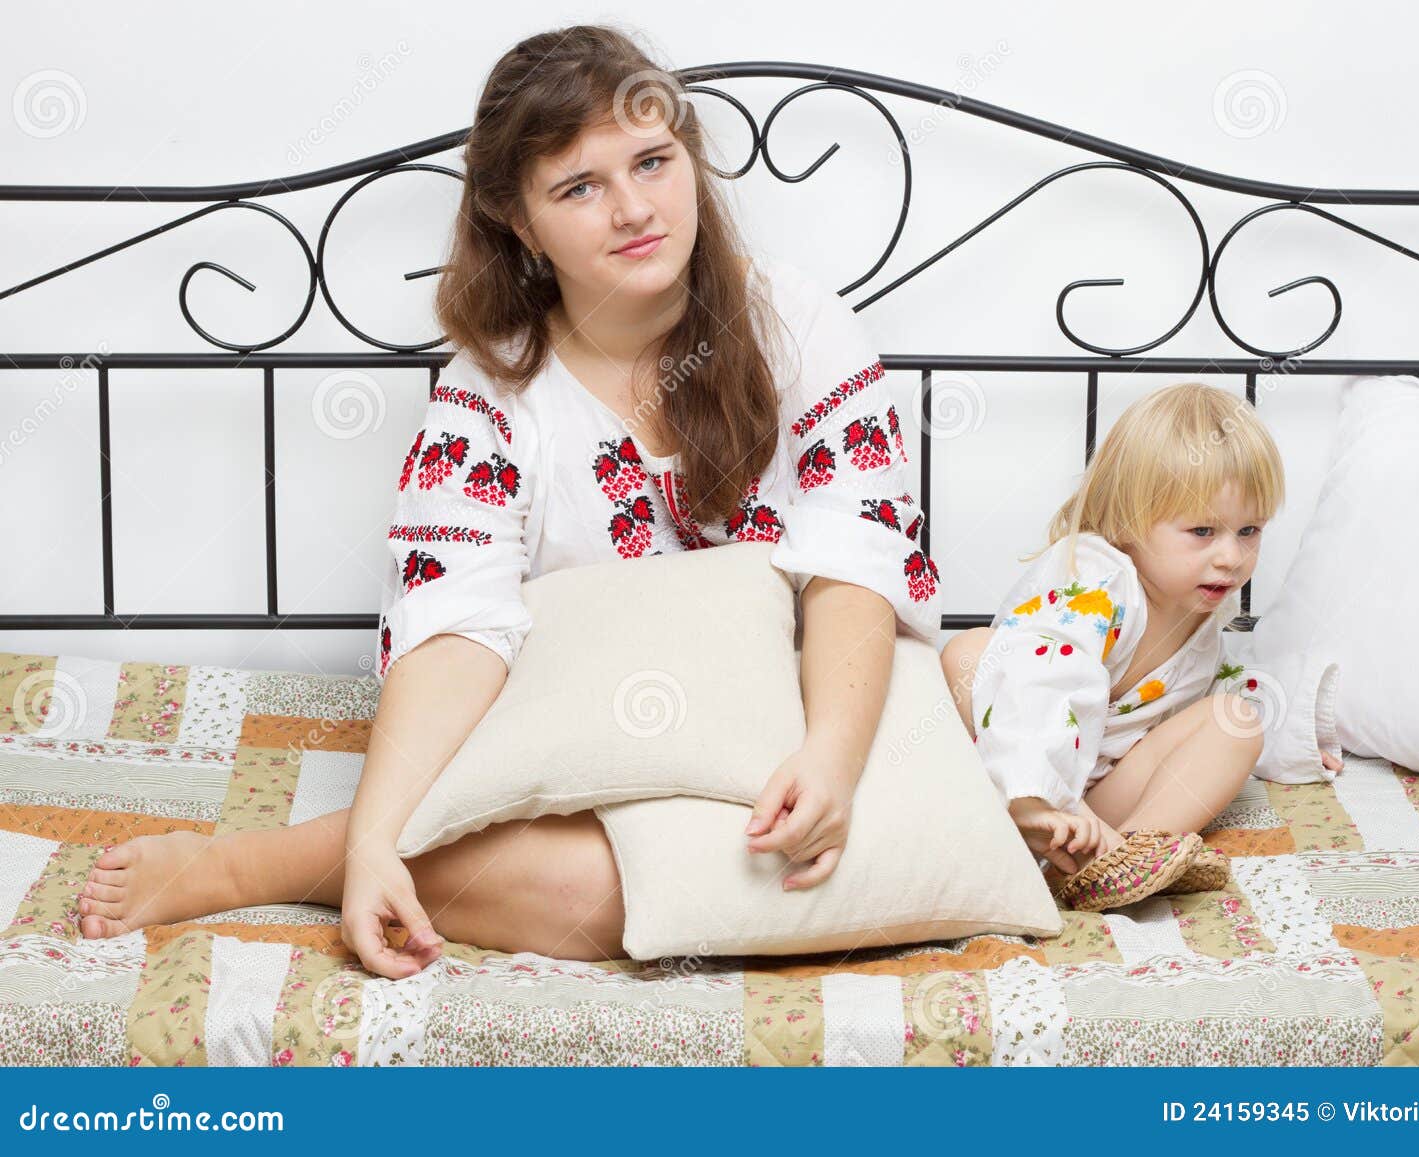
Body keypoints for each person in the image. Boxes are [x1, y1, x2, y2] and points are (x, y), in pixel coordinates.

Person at [74, 25, 942, 978]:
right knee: (607, 893)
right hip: (604, 756)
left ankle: (309, 855)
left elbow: (857, 554)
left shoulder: (796, 324)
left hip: (798, 718)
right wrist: (374, 844)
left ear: (689, 160)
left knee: (976, 686)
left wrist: (830, 759)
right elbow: (457, 626)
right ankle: (262, 862)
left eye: (653, 162)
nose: (633, 209)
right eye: (579, 187)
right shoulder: (493, 391)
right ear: (520, 224)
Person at [939, 383, 1344, 907]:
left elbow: (1212, 700)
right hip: (1019, 767)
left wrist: (1302, 741)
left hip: (1098, 802)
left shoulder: (1199, 607)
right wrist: (1040, 795)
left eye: (1249, 531)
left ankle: (1123, 856)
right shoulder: (1096, 579)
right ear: (1128, 523)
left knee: (1237, 721)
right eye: (1202, 531)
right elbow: (1042, 679)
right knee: (968, 652)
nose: (1231, 556)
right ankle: (1030, 816)